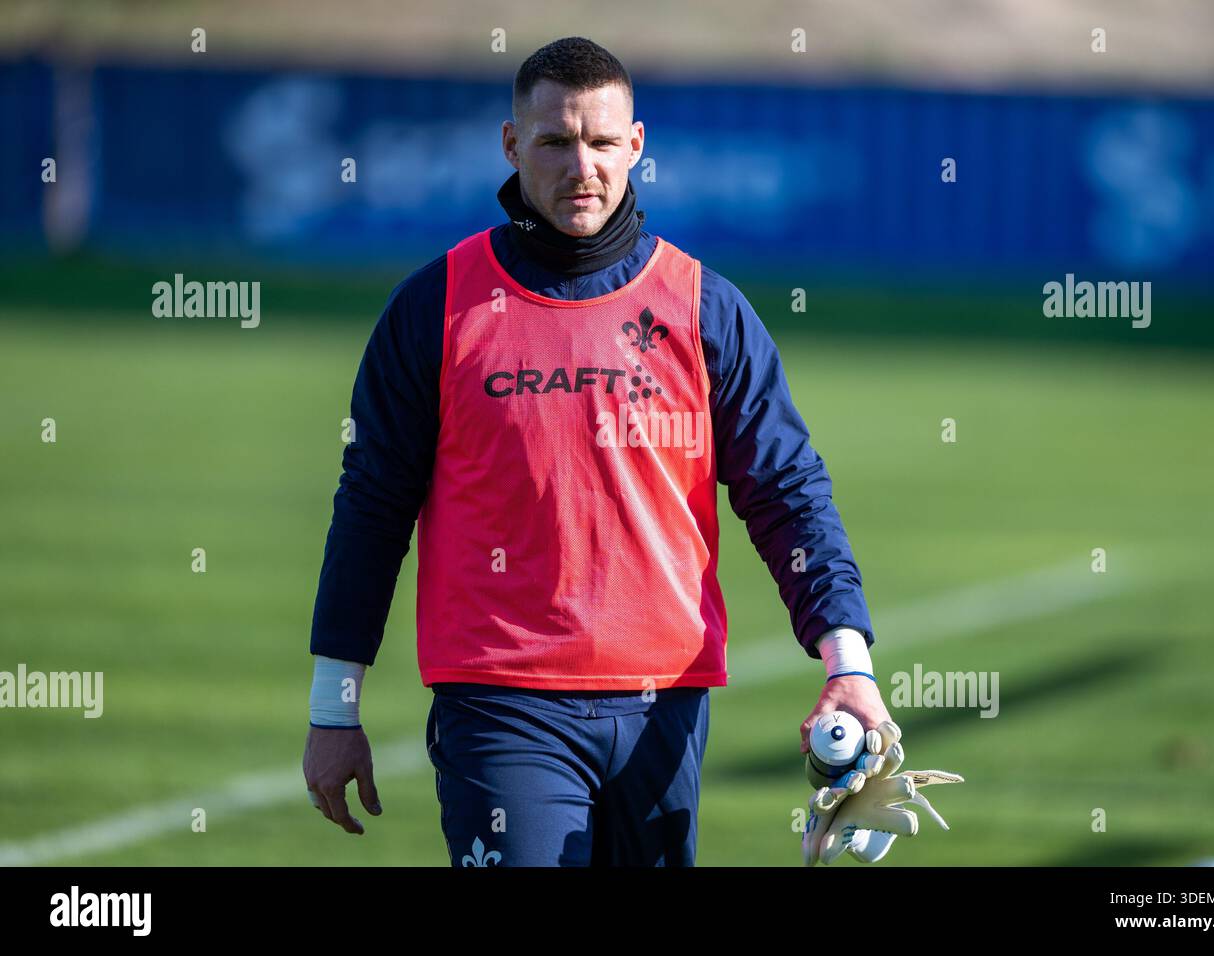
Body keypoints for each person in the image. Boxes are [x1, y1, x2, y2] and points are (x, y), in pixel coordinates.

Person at [302, 35, 891, 866]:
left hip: (667, 705)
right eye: (554, 141)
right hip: (500, 701)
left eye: (603, 142)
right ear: (512, 145)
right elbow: (370, 509)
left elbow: (787, 493)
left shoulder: (704, 309)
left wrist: (848, 661)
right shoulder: (434, 307)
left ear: (637, 146)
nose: (582, 167)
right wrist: (336, 707)